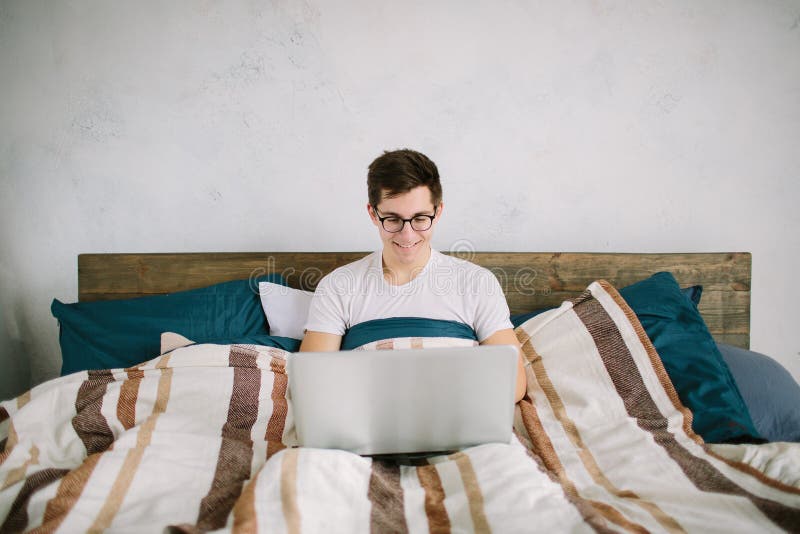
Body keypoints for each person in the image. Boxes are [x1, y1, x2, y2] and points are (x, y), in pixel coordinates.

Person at [299, 148, 527, 402]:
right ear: (373, 213)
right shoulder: (338, 286)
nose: (407, 235)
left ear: (438, 212)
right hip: (370, 427)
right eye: (393, 219)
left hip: (458, 420)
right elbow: (312, 384)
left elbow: (513, 383)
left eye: (420, 218)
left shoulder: (477, 282)